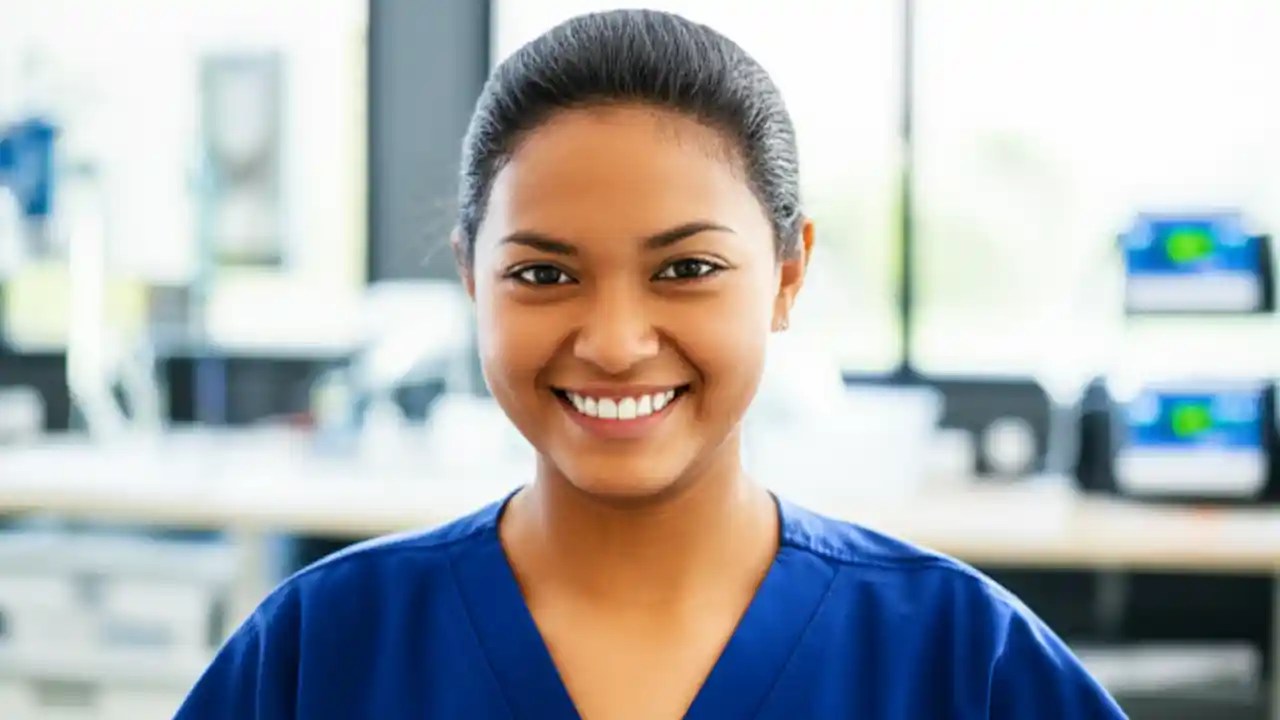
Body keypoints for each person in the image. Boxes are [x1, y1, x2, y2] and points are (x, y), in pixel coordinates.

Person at [175, 9, 1125, 719]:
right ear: (472, 278)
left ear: (789, 274)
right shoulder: (320, 656)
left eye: (687, 269)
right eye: (544, 272)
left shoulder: (962, 664)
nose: (617, 342)